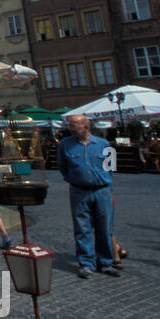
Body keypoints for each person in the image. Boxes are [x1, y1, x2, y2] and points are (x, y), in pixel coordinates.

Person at [56, 114, 115, 278]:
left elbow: (111, 167)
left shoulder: (103, 144)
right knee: (82, 228)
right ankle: (86, 264)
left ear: (86, 126)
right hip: (78, 191)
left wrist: (102, 181)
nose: (71, 129)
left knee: (105, 228)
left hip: (102, 191)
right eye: (70, 126)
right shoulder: (65, 145)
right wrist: (75, 180)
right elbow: (63, 168)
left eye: (74, 126)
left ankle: (106, 262)